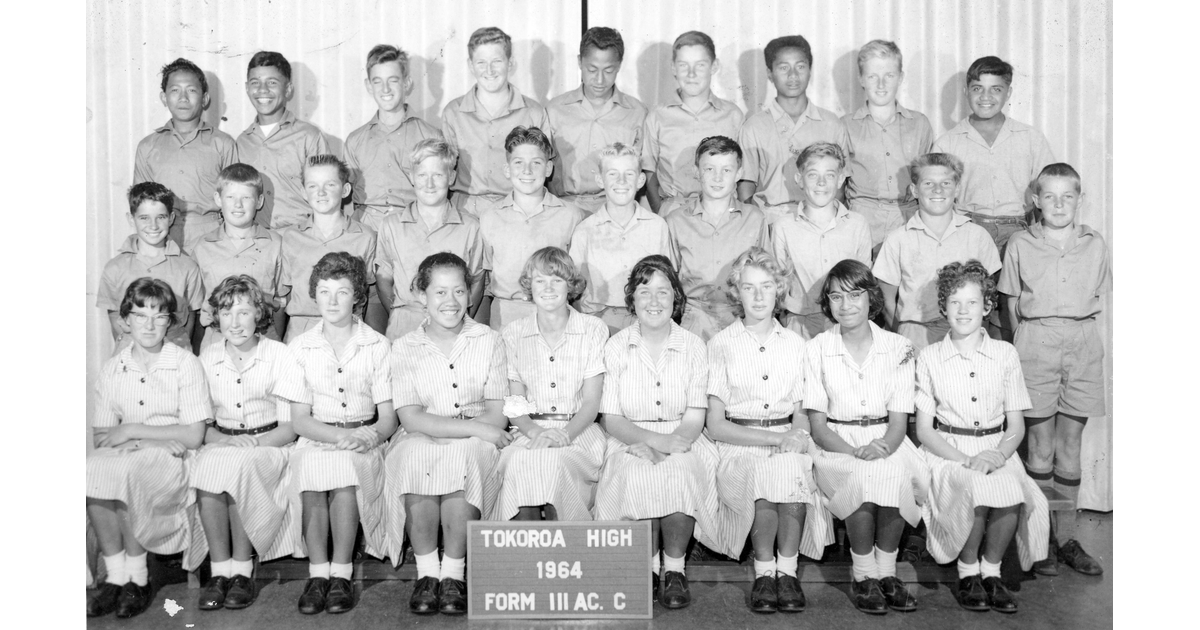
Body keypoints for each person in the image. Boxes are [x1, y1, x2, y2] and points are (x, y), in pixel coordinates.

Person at [915, 260, 1049, 614]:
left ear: (987, 306)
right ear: (943, 307)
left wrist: (997, 455)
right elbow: (925, 430)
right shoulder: (929, 358)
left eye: (972, 302)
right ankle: (967, 570)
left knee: (1008, 486)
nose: (963, 310)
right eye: (955, 302)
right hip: (948, 450)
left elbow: (1016, 425)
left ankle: (991, 571)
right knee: (974, 484)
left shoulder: (1005, 353)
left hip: (996, 448)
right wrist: (964, 459)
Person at [705, 247, 831, 614]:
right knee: (766, 470)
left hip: (788, 440)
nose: (758, 296)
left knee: (789, 466)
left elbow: (801, 412)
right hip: (739, 446)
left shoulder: (796, 345)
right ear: (736, 293)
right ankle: (764, 573)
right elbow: (716, 425)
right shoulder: (720, 345)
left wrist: (793, 438)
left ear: (779, 290)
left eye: (766, 286)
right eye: (748, 287)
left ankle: (787, 573)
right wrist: (779, 440)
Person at [998, 163, 1110, 576]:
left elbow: (1097, 291)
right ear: (1035, 200)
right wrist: (1026, 342)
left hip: (1081, 342)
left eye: (1068, 196)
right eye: (1050, 196)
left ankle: (1067, 538)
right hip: (1036, 341)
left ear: (1080, 199)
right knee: (1040, 447)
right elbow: (1011, 303)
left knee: (1070, 447)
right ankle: (1039, 537)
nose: (1059, 204)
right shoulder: (1020, 243)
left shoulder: (1094, 244)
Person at [386, 252, 512, 615]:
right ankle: (427, 573)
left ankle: (454, 573)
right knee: (415, 454)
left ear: (470, 294)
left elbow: (496, 412)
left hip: (479, 436)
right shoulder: (405, 346)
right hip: (426, 432)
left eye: (458, 291)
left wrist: (476, 431)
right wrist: (472, 428)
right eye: (439, 292)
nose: (451, 302)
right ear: (421, 296)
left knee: (465, 455)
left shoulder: (489, 339)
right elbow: (411, 419)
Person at [803, 259, 929, 614]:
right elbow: (818, 424)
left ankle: (886, 573)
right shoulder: (816, 348)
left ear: (871, 297)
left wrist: (884, 446)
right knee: (861, 474)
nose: (846, 305)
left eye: (855, 295)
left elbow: (900, 419)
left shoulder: (897, 346)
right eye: (836, 297)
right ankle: (862, 575)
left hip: (885, 435)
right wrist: (853, 450)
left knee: (892, 470)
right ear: (827, 303)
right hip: (836, 441)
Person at [593, 255, 719, 610]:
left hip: (684, 436)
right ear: (632, 298)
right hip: (630, 438)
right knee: (637, 473)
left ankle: (675, 569)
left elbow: (695, 415)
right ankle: (646, 568)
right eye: (644, 291)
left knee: (678, 471)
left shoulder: (693, 345)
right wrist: (649, 443)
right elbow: (612, 419)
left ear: (676, 299)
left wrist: (668, 446)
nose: (654, 301)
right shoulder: (616, 346)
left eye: (663, 292)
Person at [86, 278, 211, 619]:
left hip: (175, 462)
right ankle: (115, 577)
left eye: (158, 316)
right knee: (93, 468)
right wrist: (146, 439)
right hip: (142, 450)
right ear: (125, 320)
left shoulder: (185, 363)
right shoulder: (113, 368)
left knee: (127, 470)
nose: (149, 325)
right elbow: (102, 437)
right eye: (140, 316)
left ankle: (138, 578)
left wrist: (131, 431)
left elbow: (194, 435)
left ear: (171, 321)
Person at [282, 252, 398, 615]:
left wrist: (370, 437)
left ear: (357, 298)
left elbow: (388, 418)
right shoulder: (300, 347)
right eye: (324, 291)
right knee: (313, 469)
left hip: (363, 439)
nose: (333, 301)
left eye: (342, 292)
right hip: (317, 435)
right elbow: (300, 420)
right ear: (314, 296)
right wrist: (336, 438)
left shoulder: (377, 345)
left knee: (346, 470)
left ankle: (342, 574)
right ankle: (318, 574)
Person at [188, 275, 301, 611]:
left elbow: (290, 426)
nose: (234, 323)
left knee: (241, 466)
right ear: (216, 318)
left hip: (269, 444)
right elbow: (200, 422)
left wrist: (257, 443)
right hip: (224, 441)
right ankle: (219, 571)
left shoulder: (279, 354)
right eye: (226, 313)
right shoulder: (206, 357)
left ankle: (242, 569)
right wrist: (222, 440)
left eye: (243, 313)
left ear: (258, 315)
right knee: (208, 466)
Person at [933, 56, 1055, 342]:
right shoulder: (947, 143)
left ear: (1009, 92)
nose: (985, 97)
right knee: (968, 309)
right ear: (966, 92)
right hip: (970, 232)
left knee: (1014, 313)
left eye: (995, 89)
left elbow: (1048, 194)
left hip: (1019, 233)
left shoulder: (1030, 138)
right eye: (977, 89)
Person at [492, 247, 608, 522]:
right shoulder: (513, 333)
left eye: (556, 280)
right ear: (528, 287)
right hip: (530, 432)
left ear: (570, 286)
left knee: (552, 463)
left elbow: (592, 403)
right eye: (539, 280)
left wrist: (564, 435)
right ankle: (526, 558)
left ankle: (562, 553)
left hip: (578, 432)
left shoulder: (593, 329)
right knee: (522, 462)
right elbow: (516, 403)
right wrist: (535, 433)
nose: (548, 288)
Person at [873, 153, 1000, 353]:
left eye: (946, 183)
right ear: (914, 190)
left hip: (965, 333)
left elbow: (988, 295)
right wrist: (904, 336)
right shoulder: (897, 239)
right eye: (929, 184)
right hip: (915, 334)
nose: (938, 190)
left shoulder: (977, 236)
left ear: (957, 189)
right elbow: (887, 299)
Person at [374, 138, 484, 341]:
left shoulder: (470, 226)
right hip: (404, 325)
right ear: (412, 177)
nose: (430, 184)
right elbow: (383, 279)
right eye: (423, 175)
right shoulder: (391, 225)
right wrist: (400, 313)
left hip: (452, 325)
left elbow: (476, 281)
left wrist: (460, 319)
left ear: (451, 177)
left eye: (438, 175)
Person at [479, 126, 584, 330]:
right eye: (518, 163)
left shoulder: (570, 216)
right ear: (507, 169)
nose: (527, 171)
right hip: (504, 318)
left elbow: (577, 279)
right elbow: (484, 282)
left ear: (548, 169)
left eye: (536, 163)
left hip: (554, 317)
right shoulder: (490, 217)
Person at [737, 35, 850, 225]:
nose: (793, 75)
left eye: (800, 66)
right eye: (783, 68)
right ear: (769, 73)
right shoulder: (754, 126)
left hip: (820, 218)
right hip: (771, 218)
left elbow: (840, 187)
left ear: (809, 70)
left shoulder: (832, 123)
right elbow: (745, 187)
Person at [666, 135, 770, 341]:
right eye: (709, 169)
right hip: (693, 318)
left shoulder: (754, 218)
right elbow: (669, 279)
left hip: (742, 317)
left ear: (739, 173)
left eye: (727, 170)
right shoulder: (676, 220)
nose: (718, 177)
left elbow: (766, 277)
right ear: (696, 172)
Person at [442, 26, 552, 217]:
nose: (489, 70)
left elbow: (544, 169)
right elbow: (445, 171)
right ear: (470, 65)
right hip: (465, 211)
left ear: (510, 63)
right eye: (481, 62)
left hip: (518, 210)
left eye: (497, 61)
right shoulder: (453, 112)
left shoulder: (533, 112)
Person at [569, 142, 675, 334]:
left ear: (641, 180)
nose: (621, 181)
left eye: (629, 174)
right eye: (612, 174)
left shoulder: (657, 226)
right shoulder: (584, 231)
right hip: (598, 323)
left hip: (645, 321)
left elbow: (667, 283)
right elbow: (574, 289)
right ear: (600, 180)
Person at [133, 57, 238, 248]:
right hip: (162, 237)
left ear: (205, 98)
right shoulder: (148, 147)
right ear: (163, 97)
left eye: (191, 90)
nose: (183, 98)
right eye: (175, 90)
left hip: (212, 238)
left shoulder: (223, 144)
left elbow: (235, 197)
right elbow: (141, 205)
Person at [771, 142, 871, 340]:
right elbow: (777, 281)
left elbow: (864, 283)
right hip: (799, 324)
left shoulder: (857, 224)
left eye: (830, 175)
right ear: (799, 179)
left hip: (845, 324)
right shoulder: (783, 226)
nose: (821, 183)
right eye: (813, 175)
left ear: (841, 179)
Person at [841, 40, 935, 252]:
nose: (881, 85)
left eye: (889, 76)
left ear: (900, 77)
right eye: (873, 76)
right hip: (861, 219)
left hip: (908, 218)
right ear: (861, 79)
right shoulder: (845, 125)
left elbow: (929, 181)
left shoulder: (919, 124)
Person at [547, 26, 648, 214]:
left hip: (617, 209)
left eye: (608, 71)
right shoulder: (554, 110)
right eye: (592, 69)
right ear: (579, 62)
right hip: (565, 208)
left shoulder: (637, 113)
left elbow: (644, 172)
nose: (600, 80)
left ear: (619, 65)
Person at [642, 31, 744, 213]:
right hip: (674, 210)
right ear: (673, 67)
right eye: (683, 65)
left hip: (722, 211)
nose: (691, 74)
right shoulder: (657, 117)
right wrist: (661, 211)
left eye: (700, 65)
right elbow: (649, 172)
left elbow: (743, 172)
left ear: (714, 66)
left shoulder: (732, 115)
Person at [278, 155, 378, 341]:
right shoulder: (291, 237)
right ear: (303, 192)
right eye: (313, 186)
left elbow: (371, 297)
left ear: (345, 189)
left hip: (347, 332)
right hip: (300, 333)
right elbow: (284, 294)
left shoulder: (364, 236)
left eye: (330, 185)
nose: (321, 192)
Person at [344, 44, 444, 230]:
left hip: (413, 226)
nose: (385, 89)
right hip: (367, 228)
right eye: (377, 81)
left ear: (406, 83)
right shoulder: (355, 140)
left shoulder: (430, 135)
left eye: (393, 80)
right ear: (368, 86)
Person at [98, 182, 205, 352]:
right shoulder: (115, 267)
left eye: (160, 217)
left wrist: (181, 349)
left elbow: (191, 314)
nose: (153, 225)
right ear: (131, 219)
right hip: (132, 353)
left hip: (174, 354)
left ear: (171, 218)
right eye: (144, 218)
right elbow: (113, 312)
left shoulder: (188, 267)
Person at [190, 163, 284, 345]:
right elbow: (196, 306)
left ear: (259, 201)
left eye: (246, 198)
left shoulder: (275, 243)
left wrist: (274, 342)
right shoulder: (203, 247)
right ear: (218, 199)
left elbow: (281, 303)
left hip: (263, 338)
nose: (238, 205)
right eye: (231, 197)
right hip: (216, 340)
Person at [235, 51, 331, 229]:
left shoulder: (309, 136)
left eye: (272, 82)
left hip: (302, 235)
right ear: (247, 88)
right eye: (255, 83)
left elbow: (327, 194)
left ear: (287, 89)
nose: (263, 90)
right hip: (258, 240)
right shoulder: (241, 142)